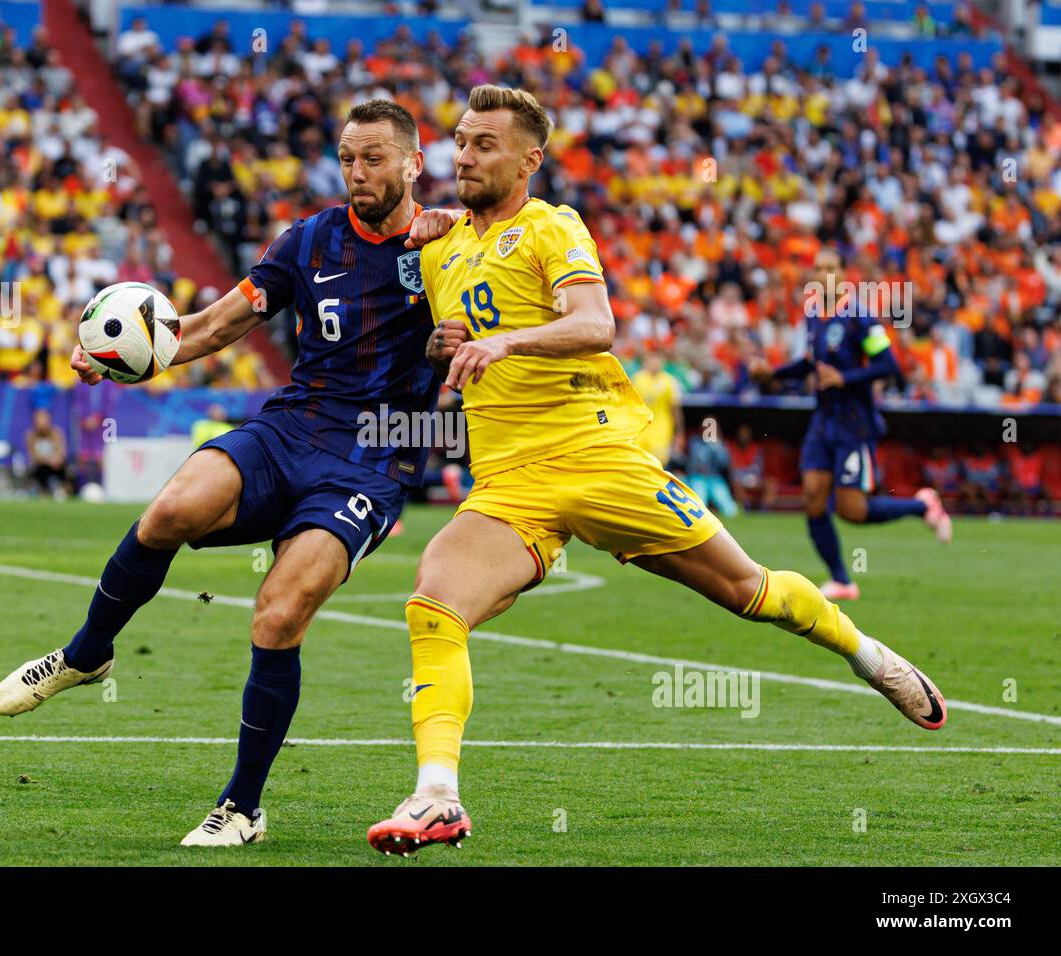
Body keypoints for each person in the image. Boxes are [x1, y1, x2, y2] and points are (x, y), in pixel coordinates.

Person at [364, 86, 947, 857]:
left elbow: (595, 323)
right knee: (433, 605)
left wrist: (507, 343)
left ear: (529, 160)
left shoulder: (552, 228)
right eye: (462, 142)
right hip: (508, 482)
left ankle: (865, 652)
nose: (466, 156)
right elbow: (390, 260)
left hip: (599, 458)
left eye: (485, 145)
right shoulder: (437, 244)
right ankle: (437, 795)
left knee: (751, 593)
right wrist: (444, 339)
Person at [0, 100, 457, 847]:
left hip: (371, 460)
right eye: (347, 157)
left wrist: (451, 333)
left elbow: (487, 337)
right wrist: (122, 363)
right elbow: (212, 326)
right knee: (169, 509)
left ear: (412, 163)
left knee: (276, 614)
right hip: (289, 428)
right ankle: (85, 655)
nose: (358, 172)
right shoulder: (308, 240)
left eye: (374, 158)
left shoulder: (452, 248)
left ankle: (242, 807)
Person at [749, 250, 951, 601]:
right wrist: (774, 373)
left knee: (852, 510)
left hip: (854, 424)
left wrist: (845, 378)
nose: (824, 274)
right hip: (823, 420)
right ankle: (842, 579)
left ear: (843, 274)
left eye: (831, 268)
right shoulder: (814, 315)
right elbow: (811, 363)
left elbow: (888, 365)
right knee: (812, 498)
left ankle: (923, 505)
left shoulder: (860, 317)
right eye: (819, 269)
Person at [25, 408, 69, 498]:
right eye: (38, 420)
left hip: (55, 466)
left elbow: (61, 451)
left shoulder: (56, 433)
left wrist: (57, 458)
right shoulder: (31, 436)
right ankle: (42, 490)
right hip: (40, 467)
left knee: (63, 466)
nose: (41, 423)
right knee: (39, 469)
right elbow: (33, 456)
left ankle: (63, 488)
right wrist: (48, 460)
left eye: (43, 420)